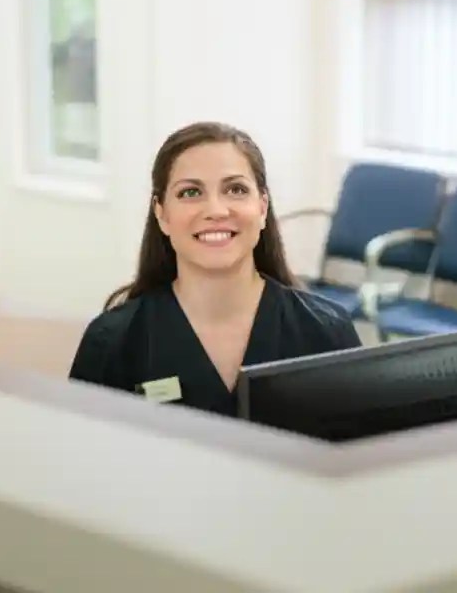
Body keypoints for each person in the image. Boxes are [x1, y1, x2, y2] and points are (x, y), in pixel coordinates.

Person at [68, 121, 362, 417]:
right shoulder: (111, 342)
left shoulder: (326, 332)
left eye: (235, 189)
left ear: (262, 207)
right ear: (162, 214)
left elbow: (362, 454)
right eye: (190, 192)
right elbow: (84, 457)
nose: (216, 211)